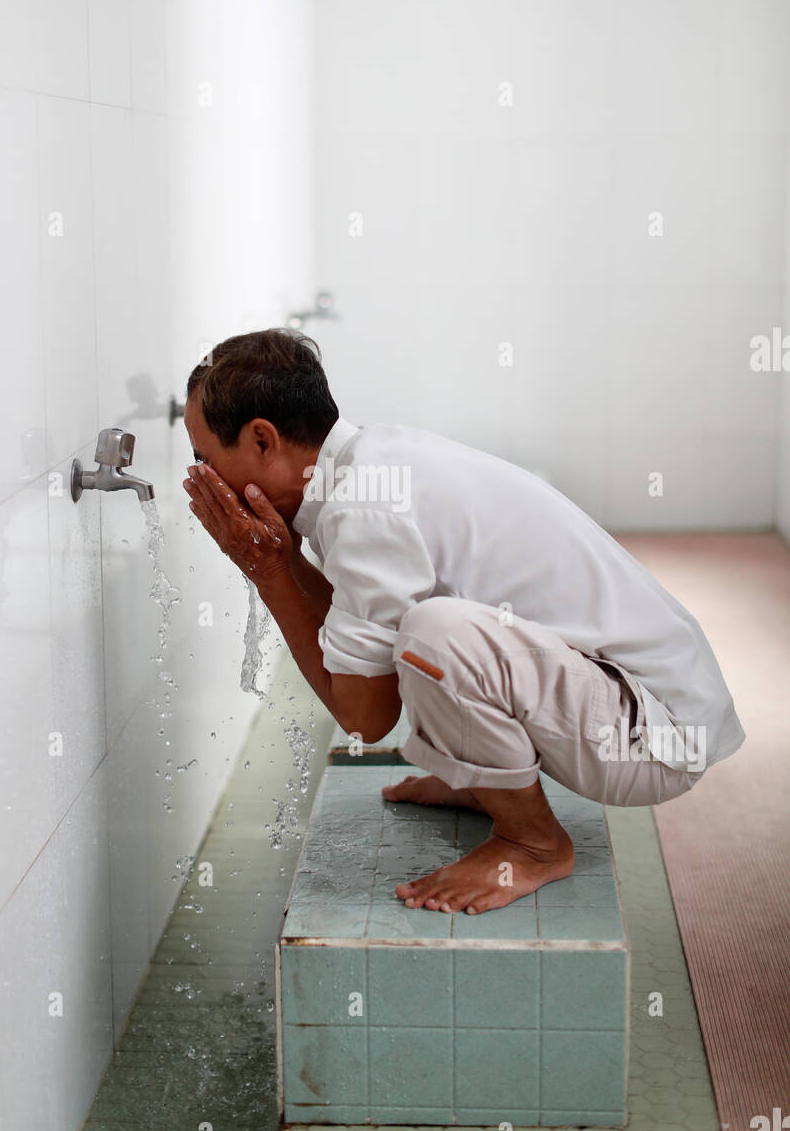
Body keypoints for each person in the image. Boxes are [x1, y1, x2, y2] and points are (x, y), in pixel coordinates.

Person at [182, 328, 745, 917]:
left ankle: (533, 843)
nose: (205, 477)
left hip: (652, 739)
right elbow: (361, 657)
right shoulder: (374, 464)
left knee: (433, 636)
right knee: (418, 633)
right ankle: (487, 782)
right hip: (640, 701)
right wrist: (285, 562)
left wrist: (271, 571)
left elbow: (366, 716)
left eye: (205, 458)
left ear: (262, 439)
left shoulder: (364, 508)